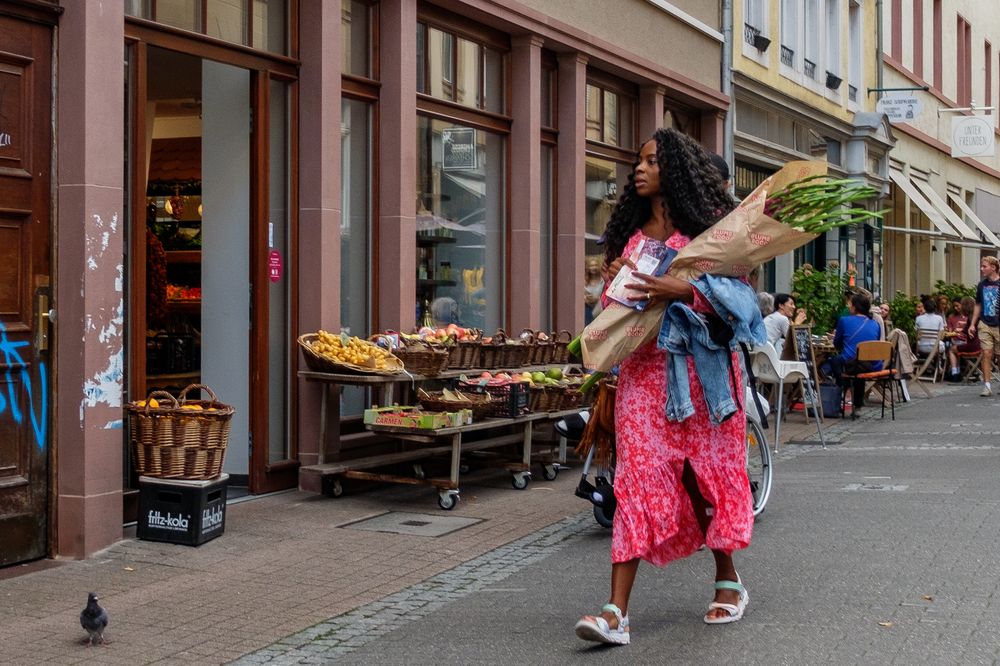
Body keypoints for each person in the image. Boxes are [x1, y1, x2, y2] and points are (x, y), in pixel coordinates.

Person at [574, 128, 756, 646]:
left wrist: (688, 289)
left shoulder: (713, 232)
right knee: (635, 479)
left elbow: (742, 305)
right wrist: (614, 281)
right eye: (638, 161)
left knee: (702, 482)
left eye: (651, 161)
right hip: (643, 374)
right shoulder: (630, 232)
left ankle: (728, 580)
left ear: (674, 169)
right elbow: (621, 309)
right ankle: (616, 612)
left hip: (701, 378)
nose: (640, 169)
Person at [822, 292, 882, 413]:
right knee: (858, 365)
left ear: (855, 307)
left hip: (852, 365)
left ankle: (845, 388)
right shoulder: (875, 323)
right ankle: (857, 405)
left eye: (850, 304)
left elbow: (837, 344)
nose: (849, 307)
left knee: (835, 362)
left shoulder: (844, 321)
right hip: (872, 365)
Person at [970, 256, 1000, 396]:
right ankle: (987, 386)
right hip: (985, 323)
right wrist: (972, 324)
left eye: (984, 266)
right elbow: (978, 304)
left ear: (993, 268)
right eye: (981, 266)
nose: (982, 269)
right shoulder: (981, 285)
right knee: (986, 353)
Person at [946, 296, 980, 381]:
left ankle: (955, 373)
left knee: (951, 349)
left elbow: (965, 332)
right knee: (956, 348)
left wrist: (958, 329)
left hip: (972, 347)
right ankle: (958, 372)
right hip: (980, 346)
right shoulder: (977, 318)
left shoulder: (970, 319)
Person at [584, 256, 605, 324]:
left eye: (595, 265)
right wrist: (585, 298)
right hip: (587, 309)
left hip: (599, 310)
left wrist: (598, 298)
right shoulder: (584, 281)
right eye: (591, 266)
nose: (593, 268)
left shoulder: (603, 280)